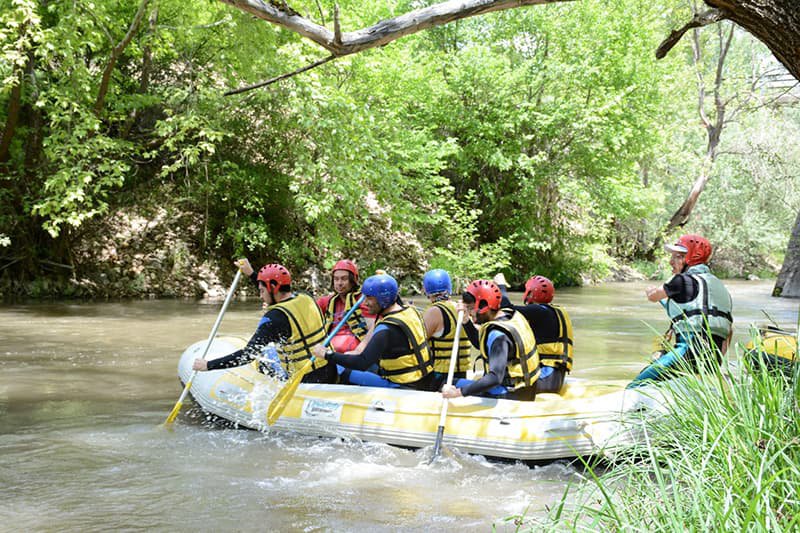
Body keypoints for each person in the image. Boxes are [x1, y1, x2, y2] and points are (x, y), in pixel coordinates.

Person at [193, 260, 336, 384]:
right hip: (331, 370)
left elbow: (247, 356)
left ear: (273, 288)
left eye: (261, 291)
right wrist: (251, 273)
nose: (261, 295)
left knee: (261, 362)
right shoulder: (306, 297)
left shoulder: (274, 318)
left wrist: (208, 365)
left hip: (306, 380)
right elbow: (272, 287)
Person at [628, 234, 733, 388]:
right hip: (713, 359)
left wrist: (650, 290)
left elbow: (653, 296)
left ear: (692, 257)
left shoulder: (680, 281)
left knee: (635, 387)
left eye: (677, 257)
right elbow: (729, 331)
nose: (671, 262)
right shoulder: (721, 289)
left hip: (687, 351)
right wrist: (715, 364)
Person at [311, 273, 438, 391]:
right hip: (424, 378)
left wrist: (327, 354)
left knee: (340, 367)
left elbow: (362, 363)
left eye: (369, 298)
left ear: (384, 299)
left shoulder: (387, 329)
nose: (365, 303)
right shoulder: (411, 311)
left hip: (401, 386)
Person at [441, 280, 539, 401]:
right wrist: (466, 321)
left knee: (447, 383)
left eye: (471, 308)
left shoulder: (498, 335)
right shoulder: (511, 316)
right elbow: (480, 344)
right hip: (525, 390)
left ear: (484, 307)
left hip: (511, 394)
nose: (470, 313)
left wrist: (459, 393)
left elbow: (495, 378)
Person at [492, 273, 574, 394]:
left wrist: (501, 286)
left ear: (531, 293)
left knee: (503, 381)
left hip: (546, 379)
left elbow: (507, 309)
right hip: (555, 378)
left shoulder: (540, 311)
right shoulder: (553, 312)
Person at [421, 269, 472, 388]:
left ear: (427, 291)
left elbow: (417, 341)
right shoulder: (460, 308)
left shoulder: (433, 312)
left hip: (440, 376)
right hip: (461, 373)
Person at [316, 260, 374, 353]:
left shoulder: (364, 300)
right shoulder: (325, 302)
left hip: (356, 357)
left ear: (353, 280)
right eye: (336, 279)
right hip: (329, 355)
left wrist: (358, 351)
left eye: (344, 279)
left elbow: (374, 327)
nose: (339, 283)